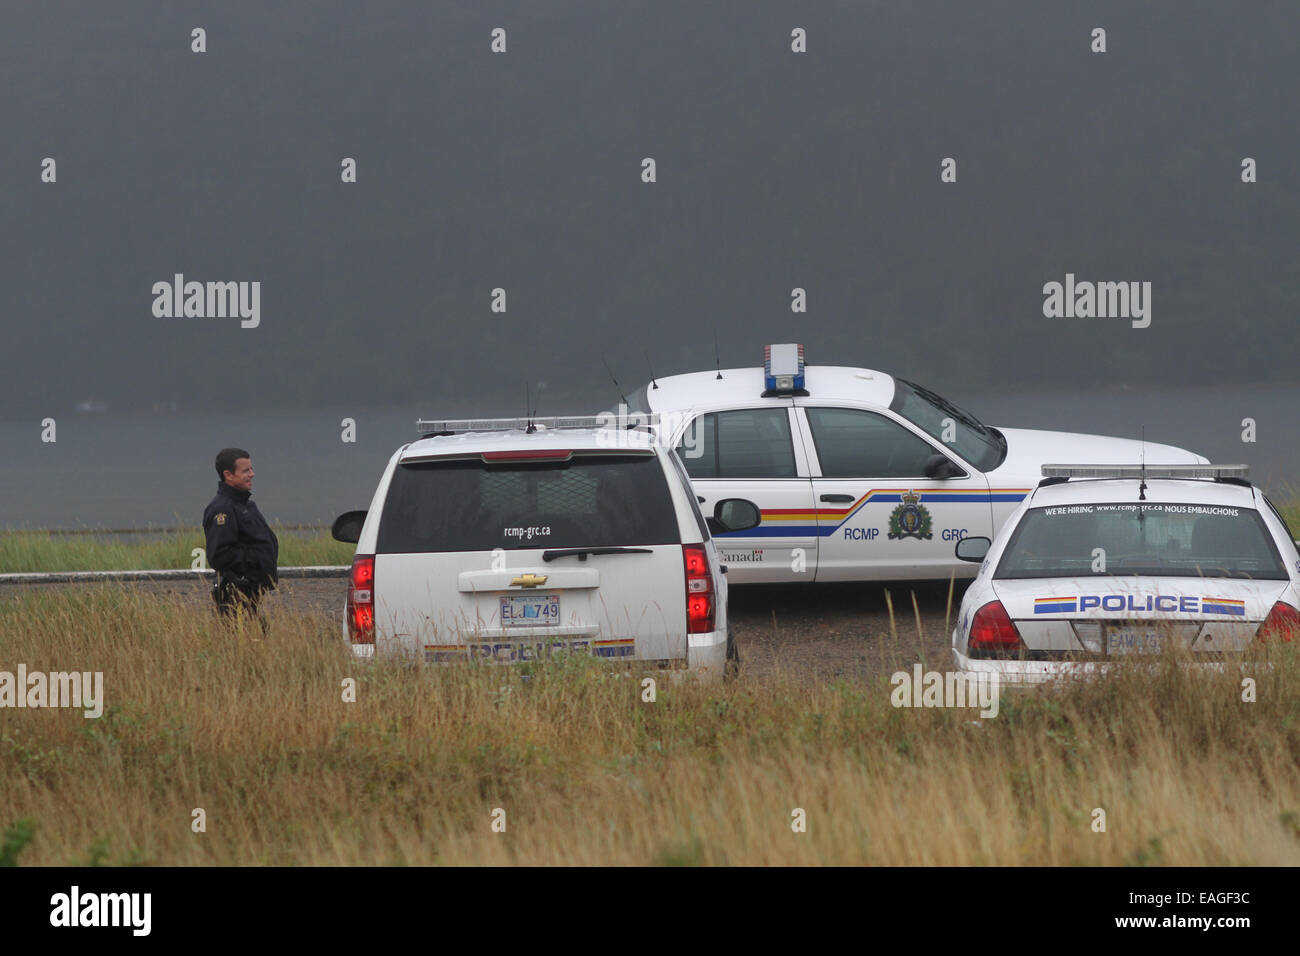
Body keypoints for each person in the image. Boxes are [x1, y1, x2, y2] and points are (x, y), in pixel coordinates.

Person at [203, 447, 279, 630]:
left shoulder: (246, 505)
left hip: (252, 595)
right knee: (239, 641)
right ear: (228, 475)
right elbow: (219, 555)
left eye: (251, 469)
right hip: (236, 595)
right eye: (246, 471)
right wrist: (255, 562)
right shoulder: (222, 509)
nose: (252, 474)